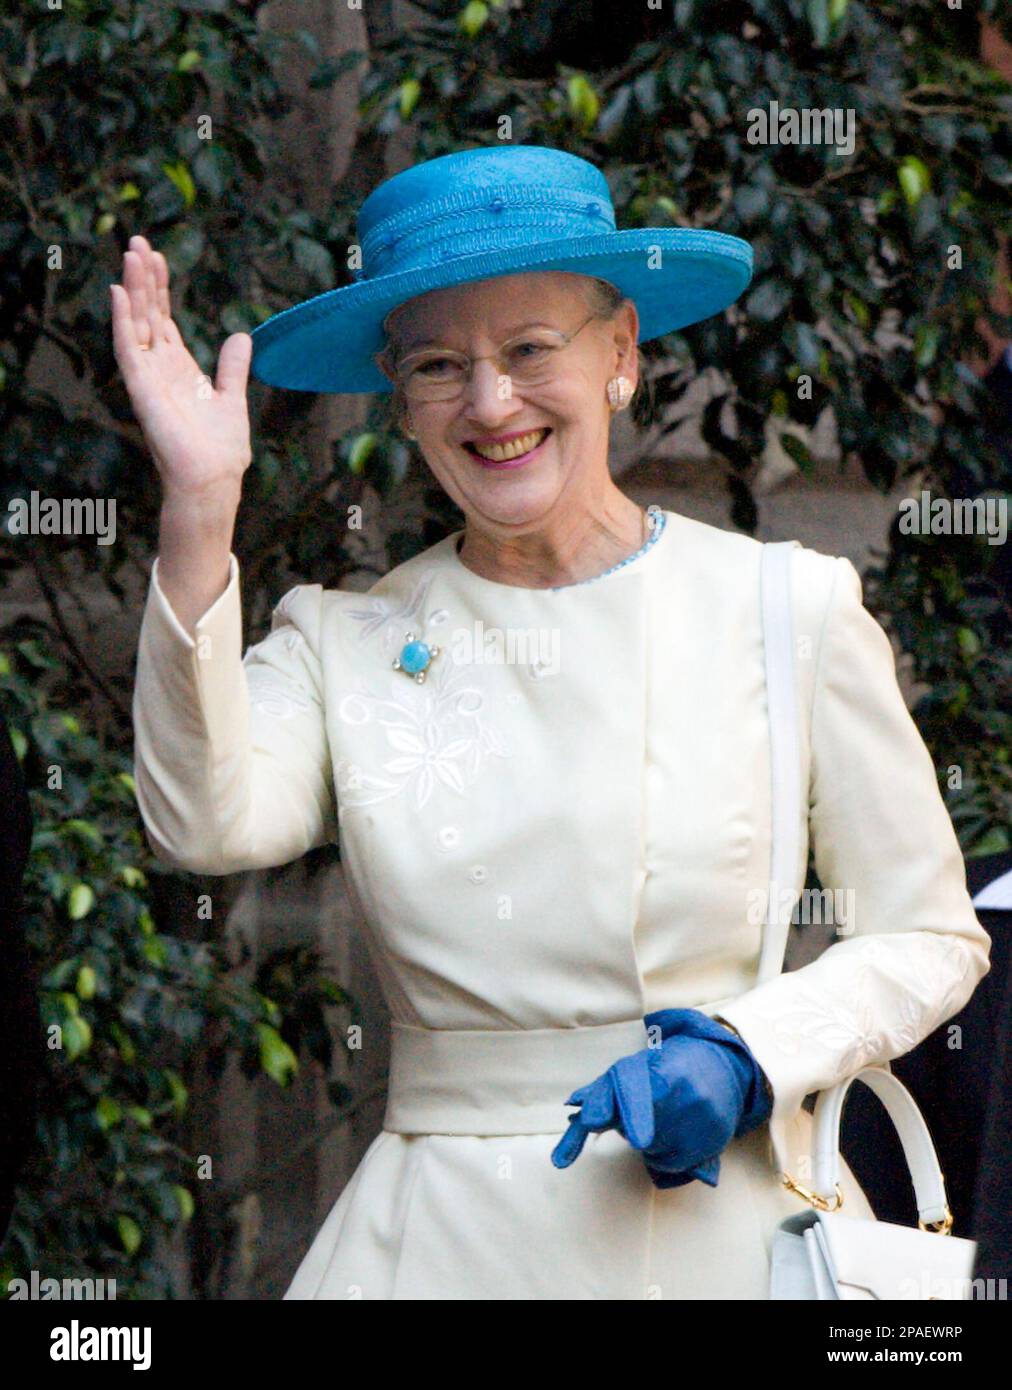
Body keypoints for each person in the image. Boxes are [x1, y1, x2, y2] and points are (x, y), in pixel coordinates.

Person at [113, 145, 991, 1300]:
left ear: (620, 350)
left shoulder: (787, 606)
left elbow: (929, 936)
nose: (490, 403)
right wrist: (198, 511)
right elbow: (200, 821)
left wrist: (749, 1051)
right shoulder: (344, 636)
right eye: (438, 366)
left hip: (716, 1236)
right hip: (432, 1253)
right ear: (398, 395)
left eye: (530, 350)